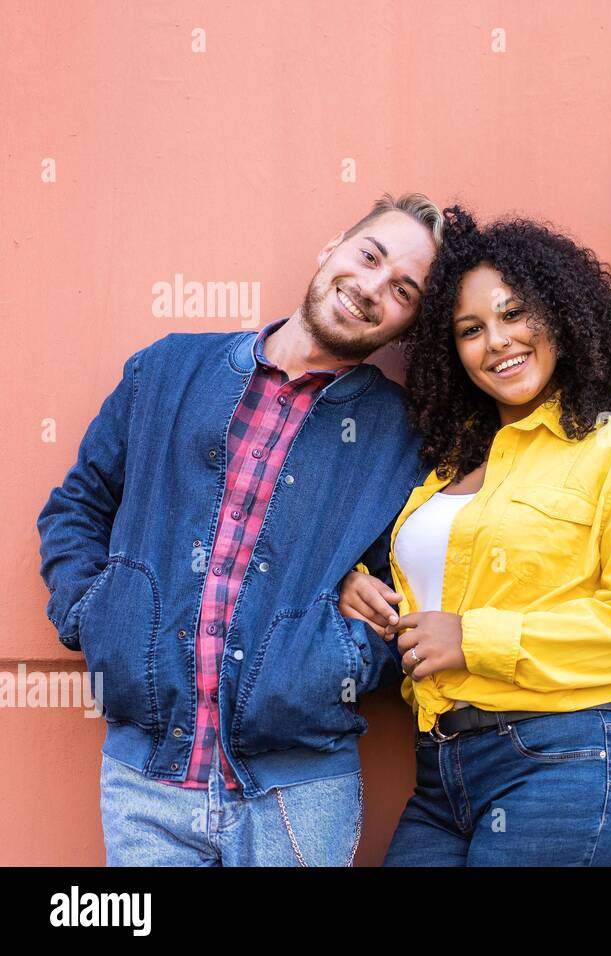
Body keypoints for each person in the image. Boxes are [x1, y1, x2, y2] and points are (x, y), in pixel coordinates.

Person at [36, 193, 443, 866]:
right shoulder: (166, 371)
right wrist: (93, 610)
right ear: (333, 248)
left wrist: (345, 643)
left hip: (301, 789)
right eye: (369, 256)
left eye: (403, 290)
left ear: (407, 326)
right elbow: (76, 506)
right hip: (145, 779)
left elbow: (413, 582)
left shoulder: (401, 437)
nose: (371, 288)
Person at [338, 208, 611, 866]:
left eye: (513, 313)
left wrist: (472, 638)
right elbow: (422, 594)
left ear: (558, 315)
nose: (496, 341)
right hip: (444, 773)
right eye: (471, 330)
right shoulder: (440, 473)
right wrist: (357, 586)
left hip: (568, 761)